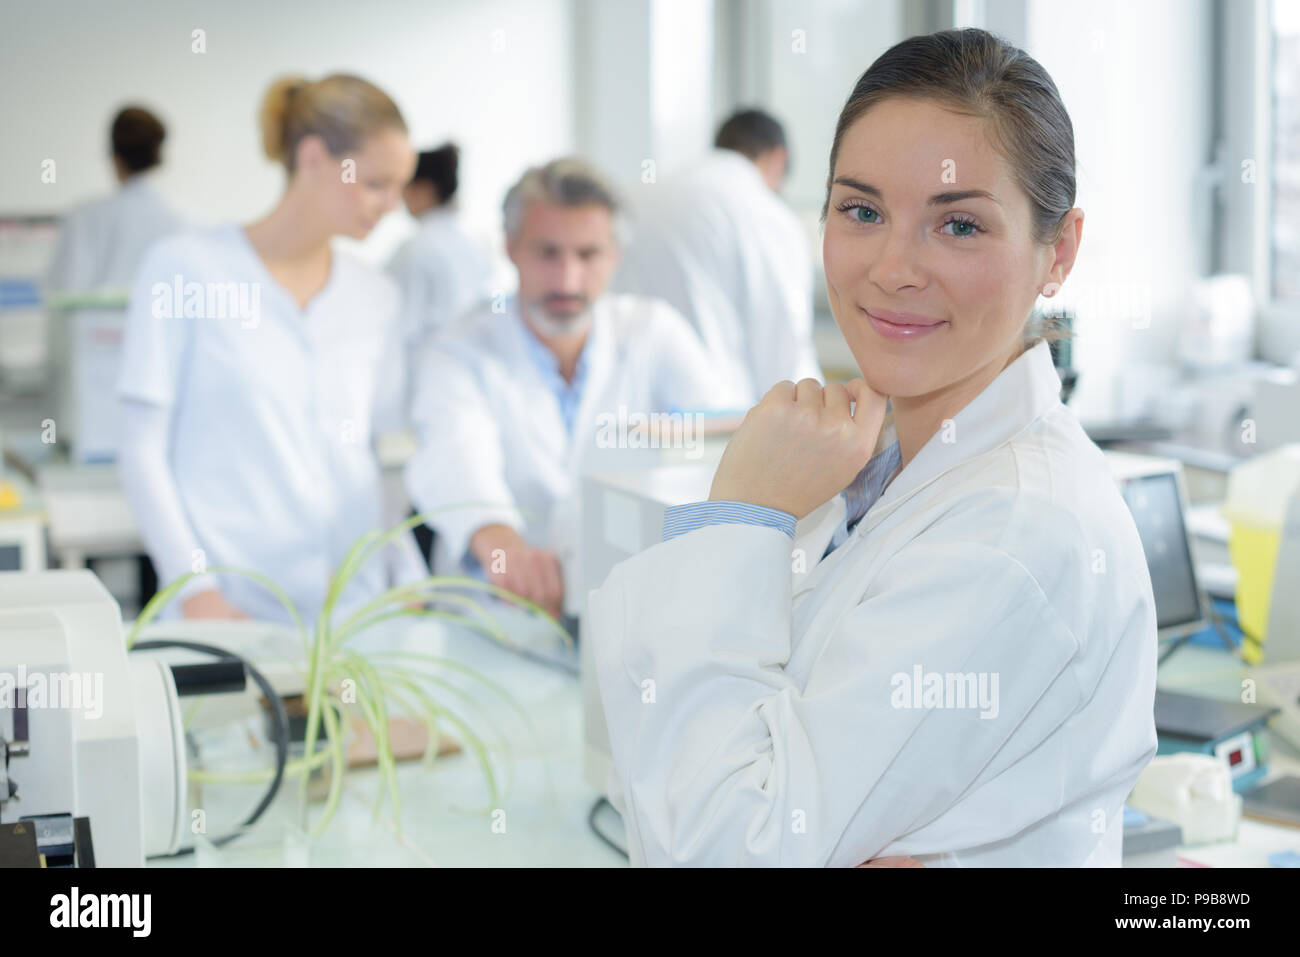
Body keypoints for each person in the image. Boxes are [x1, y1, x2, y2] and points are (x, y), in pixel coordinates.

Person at [588, 29, 1158, 866]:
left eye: (958, 224)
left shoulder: (1012, 534)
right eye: (862, 211)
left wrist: (740, 517)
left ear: (1058, 252)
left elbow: (721, 846)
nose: (894, 268)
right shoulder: (880, 470)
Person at [116, 74, 423, 624]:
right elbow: (142, 448)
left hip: (356, 607)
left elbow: (379, 457)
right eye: (377, 183)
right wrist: (195, 589)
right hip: (231, 606)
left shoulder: (376, 295)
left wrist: (406, 568)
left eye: (400, 186)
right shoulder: (186, 268)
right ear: (313, 159)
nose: (392, 205)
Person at [404, 158, 738, 622]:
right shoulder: (460, 349)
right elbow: (455, 454)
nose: (567, 280)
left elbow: (723, 436)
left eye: (588, 255)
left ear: (616, 255)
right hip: (495, 611)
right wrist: (501, 544)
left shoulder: (652, 330)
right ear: (510, 248)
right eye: (547, 253)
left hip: (628, 607)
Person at [613, 108, 821, 405]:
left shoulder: (638, 194)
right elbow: (785, 345)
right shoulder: (765, 213)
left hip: (623, 410)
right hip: (717, 416)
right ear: (778, 158)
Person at [380, 143, 493, 431]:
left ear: (424, 189)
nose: (399, 199)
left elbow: (395, 332)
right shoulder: (478, 243)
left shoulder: (415, 250)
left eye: (404, 187)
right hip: (474, 382)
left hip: (423, 388)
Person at [47, 106, 185, 296]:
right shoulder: (183, 219)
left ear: (115, 156)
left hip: (94, 316)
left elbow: (60, 287)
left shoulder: (84, 217)